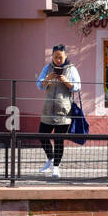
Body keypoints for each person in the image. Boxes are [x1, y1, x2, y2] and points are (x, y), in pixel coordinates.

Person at [36, 43, 81, 179]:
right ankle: (50, 159)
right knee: (42, 135)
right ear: (52, 56)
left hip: (64, 110)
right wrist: (48, 78)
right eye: (55, 57)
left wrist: (67, 82)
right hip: (48, 109)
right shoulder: (47, 68)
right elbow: (39, 85)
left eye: (60, 57)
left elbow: (77, 87)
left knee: (59, 139)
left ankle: (56, 167)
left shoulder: (71, 69)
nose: (58, 60)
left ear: (65, 55)